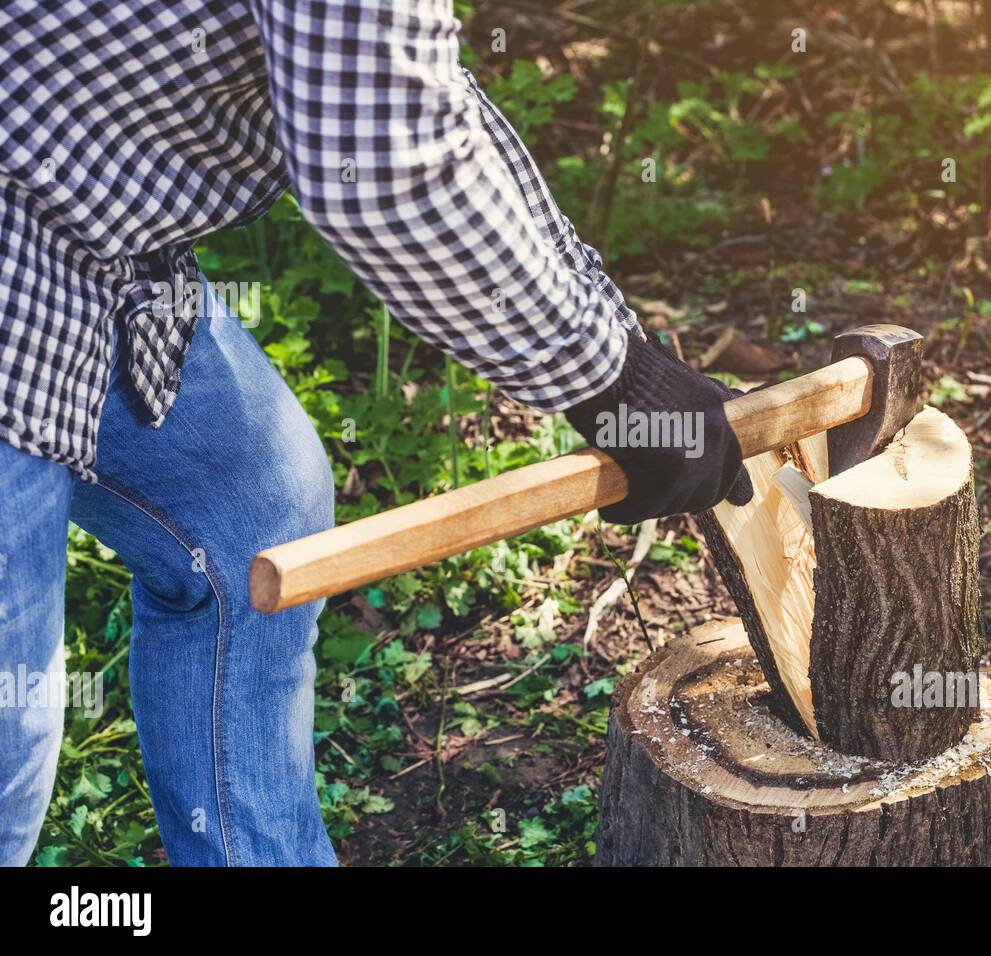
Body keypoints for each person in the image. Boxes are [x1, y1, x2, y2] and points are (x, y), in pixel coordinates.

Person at [0, 0, 750, 866]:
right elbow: (387, 168)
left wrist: (625, 358)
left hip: (86, 240)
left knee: (248, 508)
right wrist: (612, 385)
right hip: (21, 225)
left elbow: (420, 101)